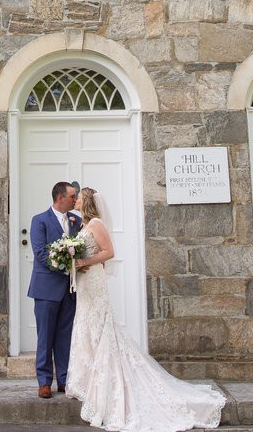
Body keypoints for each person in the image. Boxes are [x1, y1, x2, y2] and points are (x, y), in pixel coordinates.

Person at [67, 187, 226, 432]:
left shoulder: (96, 223)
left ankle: (106, 381)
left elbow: (109, 252)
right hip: (85, 283)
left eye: (77, 197)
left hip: (94, 280)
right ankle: (88, 380)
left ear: (85, 200)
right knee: (86, 324)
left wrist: (84, 261)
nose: (74, 199)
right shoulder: (82, 225)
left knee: (99, 325)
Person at [28, 180, 81, 399]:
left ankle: (64, 380)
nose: (75, 200)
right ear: (60, 198)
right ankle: (44, 381)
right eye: (72, 196)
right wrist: (67, 269)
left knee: (65, 335)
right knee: (45, 336)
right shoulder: (39, 221)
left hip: (70, 289)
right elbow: (41, 254)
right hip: (46, 288)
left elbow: (83, 249)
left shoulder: (76, 221)